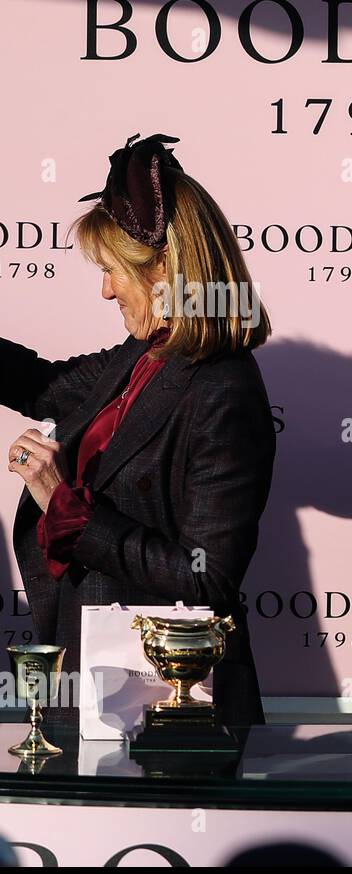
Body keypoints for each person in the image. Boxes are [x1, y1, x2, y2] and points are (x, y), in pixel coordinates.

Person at [1, 133, 274, 726]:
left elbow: (208, 577)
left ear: (166, 272)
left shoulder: (223, 389)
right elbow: (42, 385)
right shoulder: (143, 355)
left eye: (112, 271)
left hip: (169, 706)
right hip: (99, 680)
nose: (104, 289)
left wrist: (66, 508)